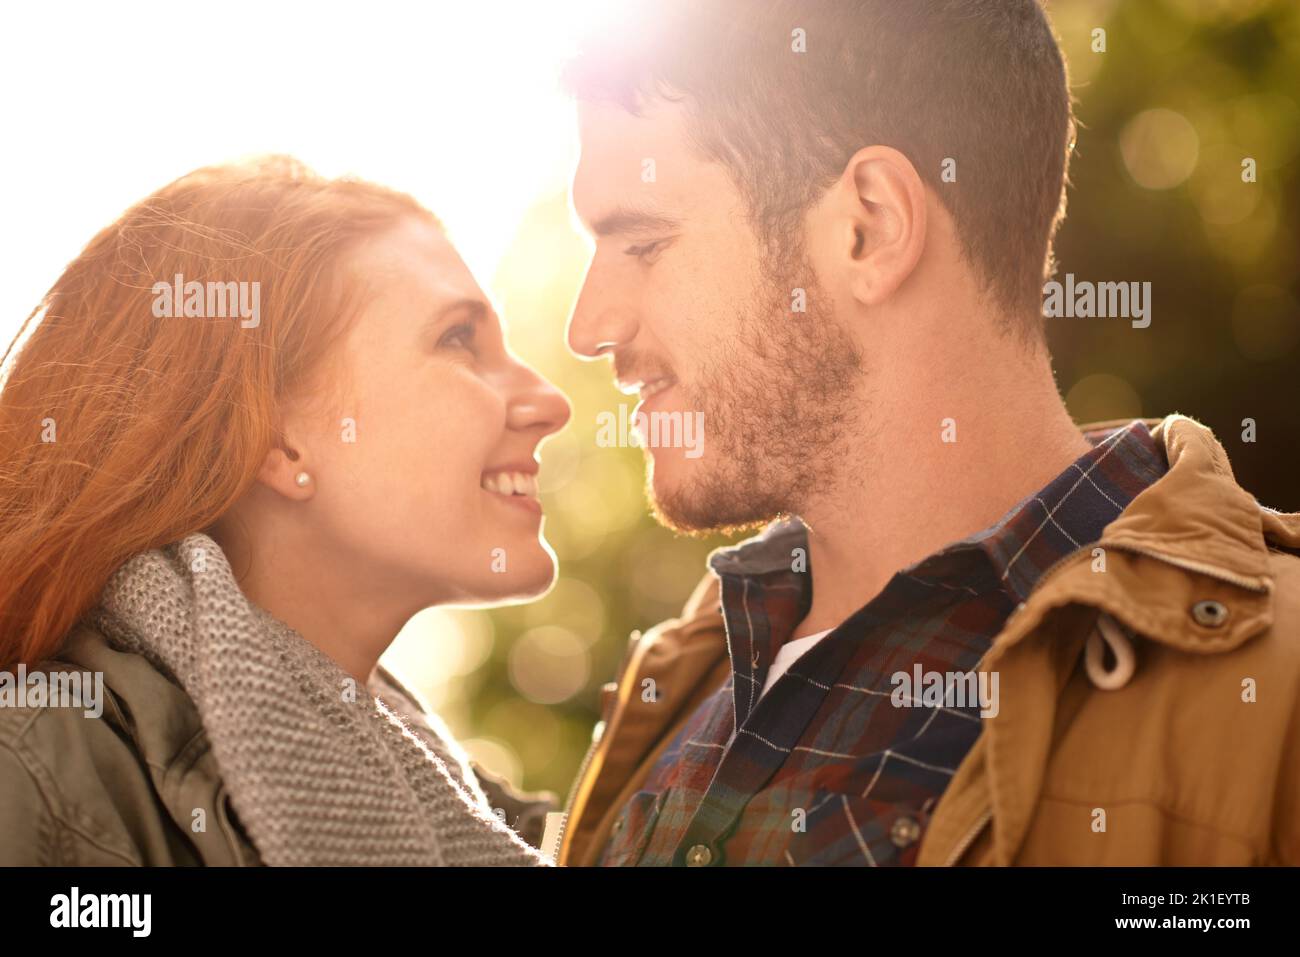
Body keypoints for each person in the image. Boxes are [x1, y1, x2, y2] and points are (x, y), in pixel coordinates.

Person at [556, 0, 1300, 866]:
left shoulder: (1274, 700)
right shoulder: (674, 686)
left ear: (870, 227)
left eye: (642, 244)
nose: (585, 326)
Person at [0, 157, 569, 866]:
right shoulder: (34, 782)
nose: (551, 402)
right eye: (459, 338)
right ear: (275, 437)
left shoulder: (478, 814)